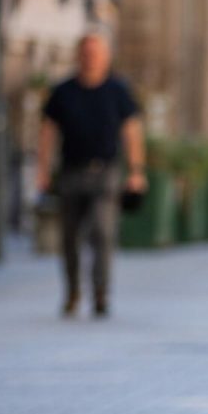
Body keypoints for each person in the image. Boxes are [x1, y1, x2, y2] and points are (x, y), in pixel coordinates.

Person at [38, 33, 146, 318]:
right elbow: (47, 133)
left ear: (106, 57)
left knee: (102, 231)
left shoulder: (118, 91)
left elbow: (132, 132)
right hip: (71, 172)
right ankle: (73, 291)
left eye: (96, 53)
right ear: (78, 56)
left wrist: (136, 171)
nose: (91, 58)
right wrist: (42, 171)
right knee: (69, 238)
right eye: (86, 53)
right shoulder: (63, 92)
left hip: (105, 172)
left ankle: (100, 292)